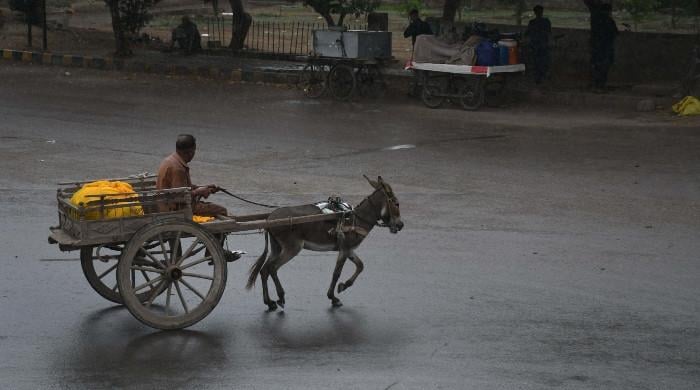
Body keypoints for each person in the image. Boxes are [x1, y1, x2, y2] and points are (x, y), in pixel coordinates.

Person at [157, 134, 241, 262]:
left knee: (214, 209)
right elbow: (179, 196)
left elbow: (184, 188)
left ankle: (184, 253)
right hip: (177, 208)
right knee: (222, 211)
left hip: (167, 204)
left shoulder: (171, 160)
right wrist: (199, 192)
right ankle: (212, 251)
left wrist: (205, 187)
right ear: (190, 151)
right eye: (194, 151)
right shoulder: (178, 168)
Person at [586, 2, 618, 92]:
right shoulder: (609, 21)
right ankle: (599, 85)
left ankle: (596, 85)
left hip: (597, 47)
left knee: (596, 66)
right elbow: (615, 33)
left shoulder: (596, 20)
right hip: (605, 48)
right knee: (603, 67)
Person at [525, 5, 551, 85]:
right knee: (542, 62)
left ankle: (538, 77)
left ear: (535, 12)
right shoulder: (546, 21)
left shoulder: (532, 22)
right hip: (542, 45)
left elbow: (527, 34)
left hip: (536, 45)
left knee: (537, 62)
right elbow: (549, 32)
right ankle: (541, 76)